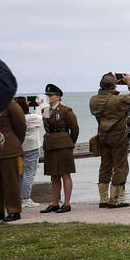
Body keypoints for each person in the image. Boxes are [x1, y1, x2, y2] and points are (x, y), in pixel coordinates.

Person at [89, 72, 130, 208]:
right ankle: (115, 199)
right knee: (120, 167)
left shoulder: (93, 100)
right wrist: (129, 83)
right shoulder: (118, 100)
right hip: (119, 137)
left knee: (105, 167)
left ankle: (103, 199)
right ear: (114, 86)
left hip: (102, 136)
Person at [38, 85, 79, 213]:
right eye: (47, 96)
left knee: (65, 174)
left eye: (51, 95)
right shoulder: (46, 110)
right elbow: (46, 127)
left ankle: (66, 204)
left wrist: (69, 143)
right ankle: (54, 203)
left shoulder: (66, 110)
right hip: (50, 145)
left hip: (63, 145)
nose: (48, 97)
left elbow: (75, 129)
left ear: (59, 97)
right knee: (53, 175)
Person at [0, 98, 26, 221]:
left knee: (10, 181)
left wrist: (15, 142)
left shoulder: (9, 102)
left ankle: (14, 210)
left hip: (8, 148)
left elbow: (21, 125)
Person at [17, 96, 43, 210]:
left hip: (19, 148)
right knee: (30, 174)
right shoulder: (32, 118)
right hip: (32, 148)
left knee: (21, 174)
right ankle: (26, 199)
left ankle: (20, 198)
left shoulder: (17, 118)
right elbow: (44, 116)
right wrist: (40, 104)